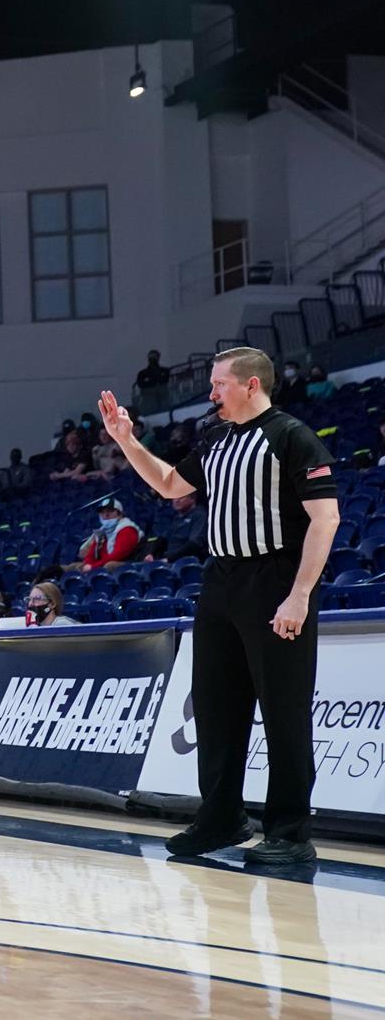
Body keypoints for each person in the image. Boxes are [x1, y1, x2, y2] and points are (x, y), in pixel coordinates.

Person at [97, 346, 339, 865]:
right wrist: (127, 439)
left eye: (219, 385)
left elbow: (327, 520)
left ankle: (290, 831)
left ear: (251, 385)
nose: (210, 395)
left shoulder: (291, 436)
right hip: (221, 582)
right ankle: (222, 817)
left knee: (284, 711)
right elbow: (167, 485)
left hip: (275, 579)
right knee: (215, 709)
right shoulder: (215, 440)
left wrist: (298, 595)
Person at [65, 498, 142, 573]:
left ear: (120, 514)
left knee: (109, 566)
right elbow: (91, 554)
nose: (106, 515)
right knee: (75, 566)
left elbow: (117, 556)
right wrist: (87, 564)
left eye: (110, 511)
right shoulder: (102, 531)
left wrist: (93, 567)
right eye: (102, 512)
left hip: (126, 563)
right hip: (103, 563)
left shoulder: (127, 529)